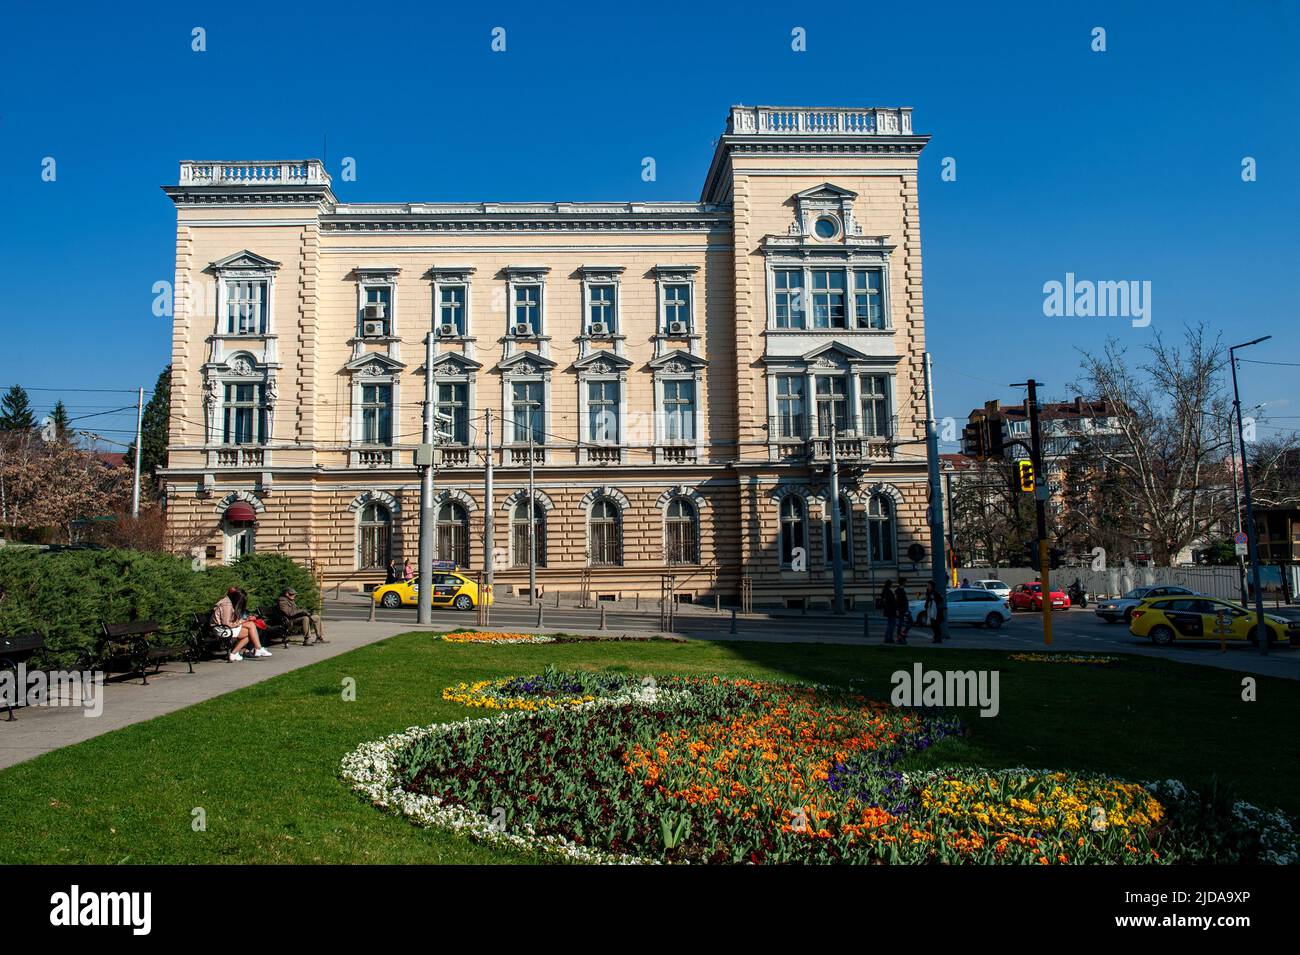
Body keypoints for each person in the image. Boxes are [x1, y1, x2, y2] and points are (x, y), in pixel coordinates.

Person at [210, 587, 271, 662]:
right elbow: (227, 624)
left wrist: (246, 619)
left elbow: (231, 621)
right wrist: (242, 621)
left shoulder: (229, 602)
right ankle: (239, 652)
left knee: (251, 625)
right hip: (222, 629)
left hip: (225, 627)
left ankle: (256, 649)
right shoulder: (227, 605)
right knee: (250, 632)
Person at [879, 580, 897, 644]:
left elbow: (884, 601)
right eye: (891, 584)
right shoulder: (888, 591)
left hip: (888, 610)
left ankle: (888, 638)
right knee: (891, 625)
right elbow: (891, 601)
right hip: (891, 610)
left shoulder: (885, 591)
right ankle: (889, 638)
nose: (892, 585)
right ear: (890, 584)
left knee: (890, 624)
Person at [894, 579, 911, 645]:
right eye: (905, 582)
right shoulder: (900, 591)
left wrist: (897, 609)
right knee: (909, 623)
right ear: (903, 582)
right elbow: (898, 601)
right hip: (903, 610)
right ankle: (901, 636)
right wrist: (904, 610)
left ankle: (900, 637)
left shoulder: (898, 590)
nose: (906, 583)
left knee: (901, 624)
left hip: (902, 610)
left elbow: (896, 600)